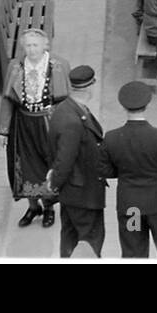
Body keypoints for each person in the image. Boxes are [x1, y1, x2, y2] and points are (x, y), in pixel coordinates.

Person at [100, 82, 157, 258]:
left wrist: (123, 172)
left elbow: (104, 169)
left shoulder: (112, 138)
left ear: (123, 106)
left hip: (132, 207)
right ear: (147, 104)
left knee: (134, 252)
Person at [0, 29, 72, 228]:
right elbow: (7, 100)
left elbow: (67, 99)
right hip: (23, 124)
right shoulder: (16, 66)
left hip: (48, 123)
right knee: (25, 166)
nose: (31, 50)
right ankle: (33, 207)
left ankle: (48, 207)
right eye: (28, 46)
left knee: (48, 164)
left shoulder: (59, 65)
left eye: (35, 45)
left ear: (45, 45)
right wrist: (3, 130)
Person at [46, 66, 107, 257]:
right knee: (90, 243)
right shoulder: (73, 120)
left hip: (72, 194)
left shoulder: (65, 108)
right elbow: (65, 160)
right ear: (91, 87)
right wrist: (54, 183)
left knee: (70, 239)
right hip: (83, 194)